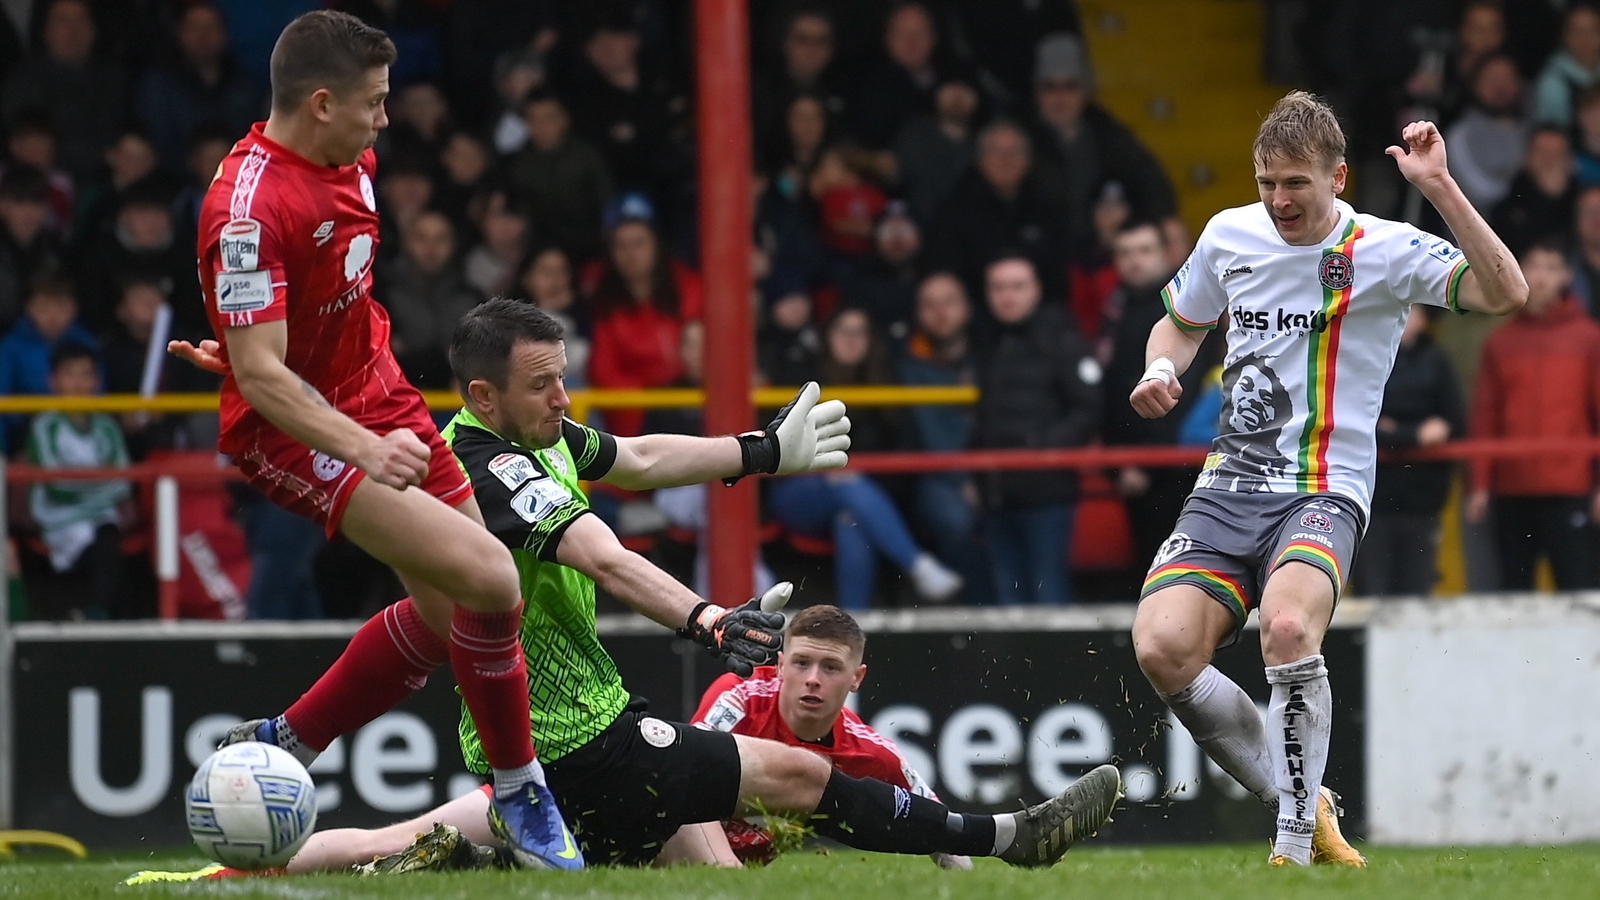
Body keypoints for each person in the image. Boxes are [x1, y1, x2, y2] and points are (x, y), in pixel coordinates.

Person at [160, 299, 1116, 876]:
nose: (564, 400)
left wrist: (760, 450)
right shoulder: (488, 472)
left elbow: (642, 455)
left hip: (556, 743)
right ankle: (1007, 838)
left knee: (415, 835)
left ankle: (223, 871)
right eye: (543, 385)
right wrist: (707, 617)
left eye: (563, 378)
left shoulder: (539, 440)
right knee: (801, 776)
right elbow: (603, 554)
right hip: (581, 743)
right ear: (483, 397)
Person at [174, 11, 578, 870]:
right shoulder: (244, 208)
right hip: (295, 431)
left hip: (379, 393)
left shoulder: (349, 157)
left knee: (452, 621)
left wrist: (268, 344)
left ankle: (293, 735)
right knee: (492, 577)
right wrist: (347, 435)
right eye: (374, 103)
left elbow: (312, 308)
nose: (385, 120)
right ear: (322, 103)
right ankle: (521, 795)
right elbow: (265, 379)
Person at [1128, 91, 1526, 867]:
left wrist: (1440, 187)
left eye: (1296, 184)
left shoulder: (1384, 248)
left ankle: (1292, 850)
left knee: (1286, 628)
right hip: (1228, 484)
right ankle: (1307, 805)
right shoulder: (1227, 234)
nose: (1278, 200)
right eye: (1267, 182)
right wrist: (1158, 368)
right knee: (1161, 646)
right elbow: (1180, 322)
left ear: (1338, 178)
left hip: (1323, 486)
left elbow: (1507, 292)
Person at [688, 605, 969, 869]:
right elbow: (682, 781)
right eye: (801, 663)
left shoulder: (871, 754)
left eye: (830, 667)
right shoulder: (739, 699)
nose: (813, 678)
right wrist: (728, 873)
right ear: (781, 666)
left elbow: (942, 829)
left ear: (857, 678)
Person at [768, 307, 965, 608]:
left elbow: (904, 454)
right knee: (846, 481)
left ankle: (851, 624)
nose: (851, 340)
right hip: (799, 492)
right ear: (827, 337)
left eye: (859, 332)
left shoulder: (887, 384)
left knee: (852, 521)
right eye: (843, 331)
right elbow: (778, 443)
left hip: (867, 499)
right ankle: (918, 565)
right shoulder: (803, 380)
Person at [1466, 238, 1600, 591]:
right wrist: (1479, 484)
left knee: (1578, 591)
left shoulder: (1589, 339)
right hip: (1512, 490)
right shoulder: (1501, 341)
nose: (1541, 277)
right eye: (1534, 266)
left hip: (1572, 488)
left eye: (1551, 268)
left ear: (1567, 277)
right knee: (1514, 596)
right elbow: (1486, 415)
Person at [974, 255, 1101, 606]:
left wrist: (1044, 450)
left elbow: (1089, 407)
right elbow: (985, 415)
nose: (1007, 296)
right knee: (1006, 597)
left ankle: (1055, 665)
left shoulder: (1061, 337)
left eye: (1017, 287)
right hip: (997, 492)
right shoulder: (990, 341)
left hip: (1047, 492)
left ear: (1036, 290)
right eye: (998, 288)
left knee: (1048, 593)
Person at [1353, 304, 1464, 597]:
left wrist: (1392, 430)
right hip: (1370, 500)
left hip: (1422, 498)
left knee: (1417, 590)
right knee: (1370, 589)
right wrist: (1415, 434)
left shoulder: (1437, 361)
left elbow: (1453, 422)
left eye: (1413, 311)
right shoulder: (1364, 359)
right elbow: (1356, 423)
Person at [22, 342, 132, 621]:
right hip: (59, 518)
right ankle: (96, 612)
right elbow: (57, 486)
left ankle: (97, 613)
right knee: (104, 537)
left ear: (96, 381)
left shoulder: (107, 425)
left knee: (107, 532)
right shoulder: (45, 426)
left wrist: (84, 480)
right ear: (54, 381)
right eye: (70, 374)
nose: (79, 383)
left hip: (103, 516)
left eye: (86, 374)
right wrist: (98, 482)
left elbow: (122, 481)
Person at [1535, 3, 1600, 129]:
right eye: (1577, 31)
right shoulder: (1551, 83)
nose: (1585, 38)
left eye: (1592, 30)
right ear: (1565, 36)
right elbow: (1552, 133)